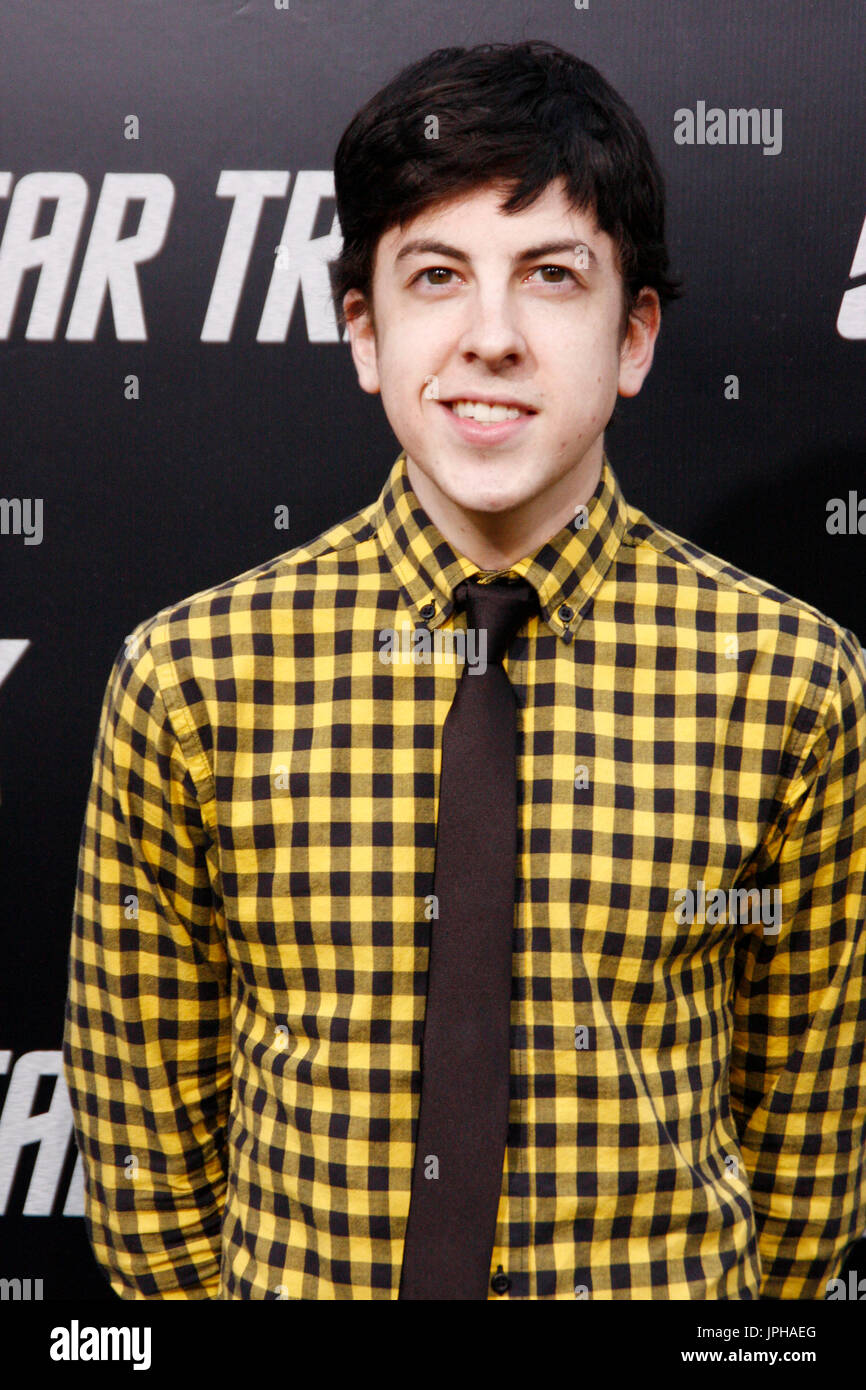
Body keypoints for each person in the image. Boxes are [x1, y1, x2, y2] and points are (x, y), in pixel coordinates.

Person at [63, 39, 866, 1301]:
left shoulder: (793, 682)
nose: (489, 337)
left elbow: (807, 1151)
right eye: (436, 275)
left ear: (635, 336)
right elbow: (143, 1136)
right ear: (365, 333)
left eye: (551, 275)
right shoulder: (190, 679)